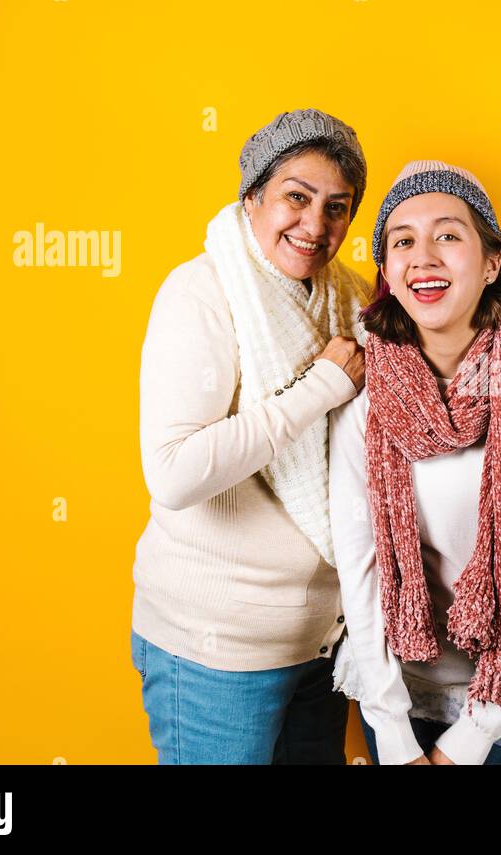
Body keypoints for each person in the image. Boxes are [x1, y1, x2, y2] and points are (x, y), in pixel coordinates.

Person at [328, 160, 501, 765]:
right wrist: (392, 733)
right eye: (403, 241)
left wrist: (472, 737)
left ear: (493, 263)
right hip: (394, 682)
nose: (423, 257)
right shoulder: (364, 390)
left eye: (448, 235)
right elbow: (360, 566)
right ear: (389, 272)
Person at [130, 110, 371, 764]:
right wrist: (318, 387)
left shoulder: (351, 300)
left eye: (337, 207)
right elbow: (175, 473)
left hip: (322, 646)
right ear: (252, 196)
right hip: (216, 651)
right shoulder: (200, 294)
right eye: (296, 196)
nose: (315, 224)